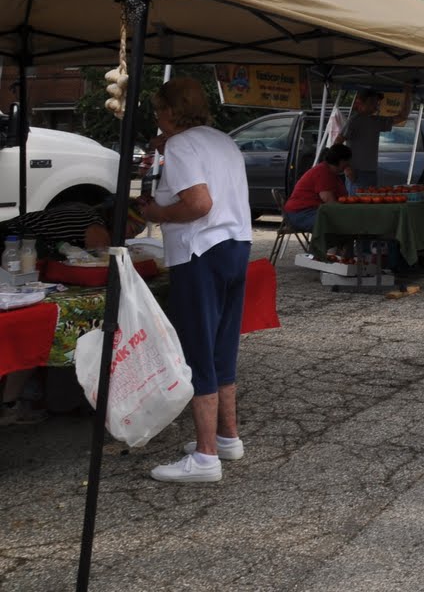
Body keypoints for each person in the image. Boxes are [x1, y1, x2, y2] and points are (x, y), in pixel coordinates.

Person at [136, 76, 254, 483]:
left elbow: (199, 204)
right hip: (236, 247)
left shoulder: (183, 145)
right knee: (223, 345)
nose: (157, 119)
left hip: (199, 252)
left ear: (169, 112)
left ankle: (205, 458)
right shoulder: (222, 140)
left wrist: (156, 214)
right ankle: (227, 437)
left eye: (157, 111)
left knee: (198, 350)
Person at [338, 85, 413, 188]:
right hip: (356, 172)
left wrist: (407, 94)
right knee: (356, 203)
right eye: (373, 102)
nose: (377, 105)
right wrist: (346, 167)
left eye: (377, 102)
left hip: (371, 172)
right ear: (361, 102)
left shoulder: (376, 121)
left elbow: (402, 116)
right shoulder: (354, 121)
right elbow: (337, 143)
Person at [5, 200, 142, 251]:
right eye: (132, 229)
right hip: (10, 237)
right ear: (118, 218)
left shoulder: (86, 209)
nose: (130, 236)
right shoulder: (95, 225)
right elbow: (102, 258)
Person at [281, 144, 354, 232]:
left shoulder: (331, 172)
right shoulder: (323, 172)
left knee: (343, 221)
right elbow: (328, 200)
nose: (349, 164)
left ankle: (341, 245)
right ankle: (322, 245)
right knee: (335, 222)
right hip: (299, 214)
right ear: (341, 161)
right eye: (347, 161)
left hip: (308, 212)